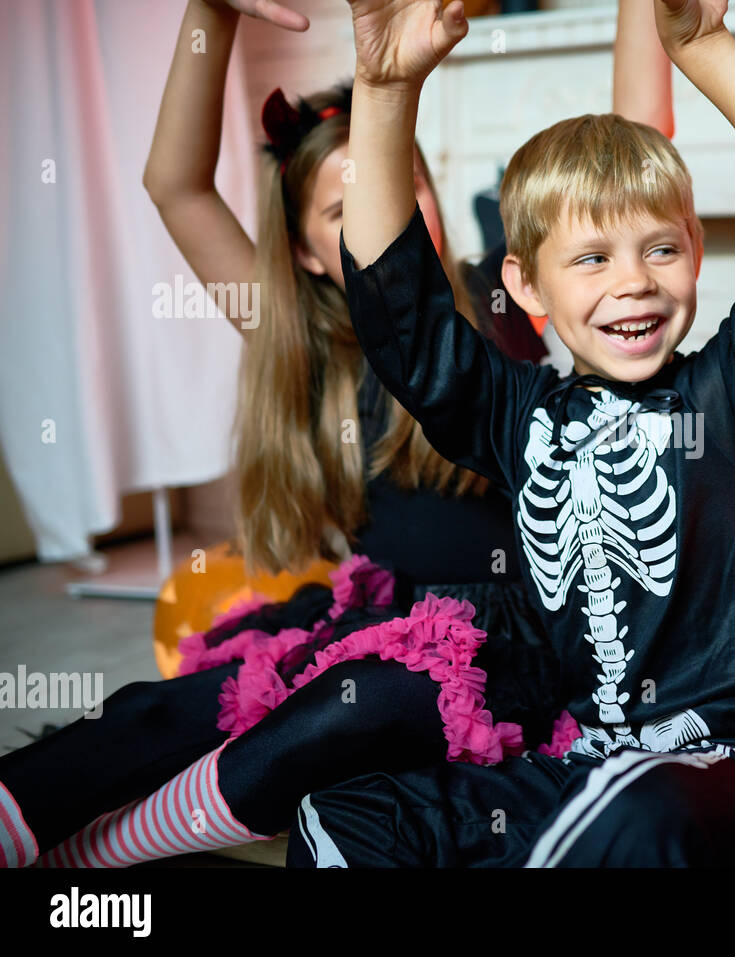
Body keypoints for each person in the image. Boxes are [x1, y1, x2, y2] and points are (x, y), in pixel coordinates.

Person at [0, 0, 660, 868]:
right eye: (337, 210)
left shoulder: (497, 298)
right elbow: (177, 187)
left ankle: (94, 855)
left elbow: (628, 165)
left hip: (516, 645)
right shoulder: (305, 345)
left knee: (353, 708)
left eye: (397, 184)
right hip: (377, 618)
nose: (379, 215)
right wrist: (210, 14)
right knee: (155, 711)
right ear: (310, 254)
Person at [282, 0, 735, 868]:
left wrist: (705, 48)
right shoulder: (518, 417)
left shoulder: (734, 392)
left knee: (633, 813)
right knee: (343, 817)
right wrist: (385, 88)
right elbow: (400, 317)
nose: (632, 283)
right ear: (526, 287)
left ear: (696, 256)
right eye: (592, 259)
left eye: (661, 250)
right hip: (585, 759)